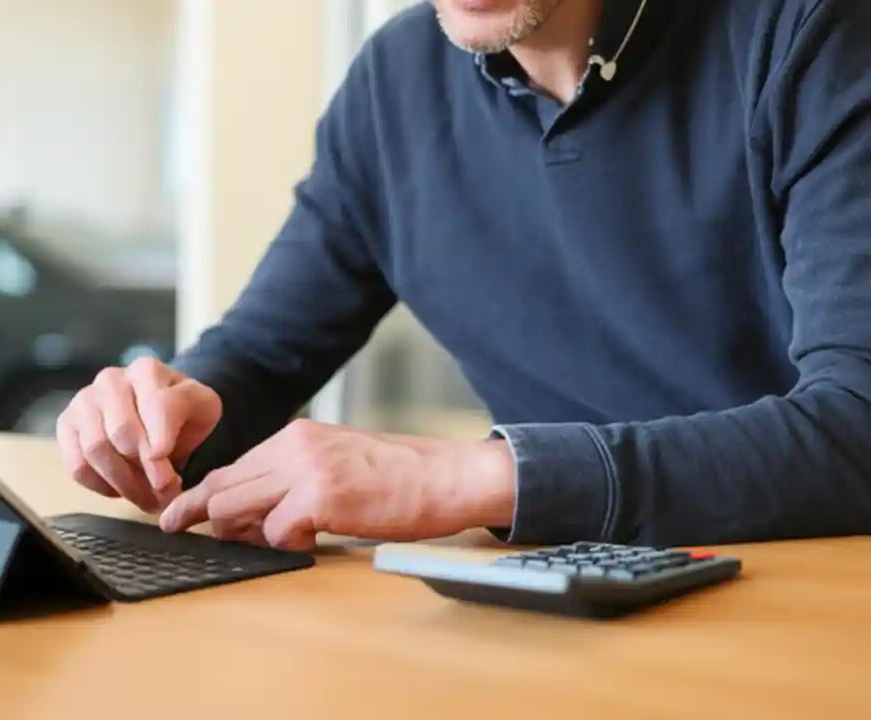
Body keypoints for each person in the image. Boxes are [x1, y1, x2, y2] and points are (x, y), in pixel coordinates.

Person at [56, 0, 871, 550]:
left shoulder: (810, 31)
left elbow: (858, 424)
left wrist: (469, 476)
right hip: (548, 597)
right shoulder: (396, 81)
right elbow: (263, 355)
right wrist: (172, 416)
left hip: (803, 589)